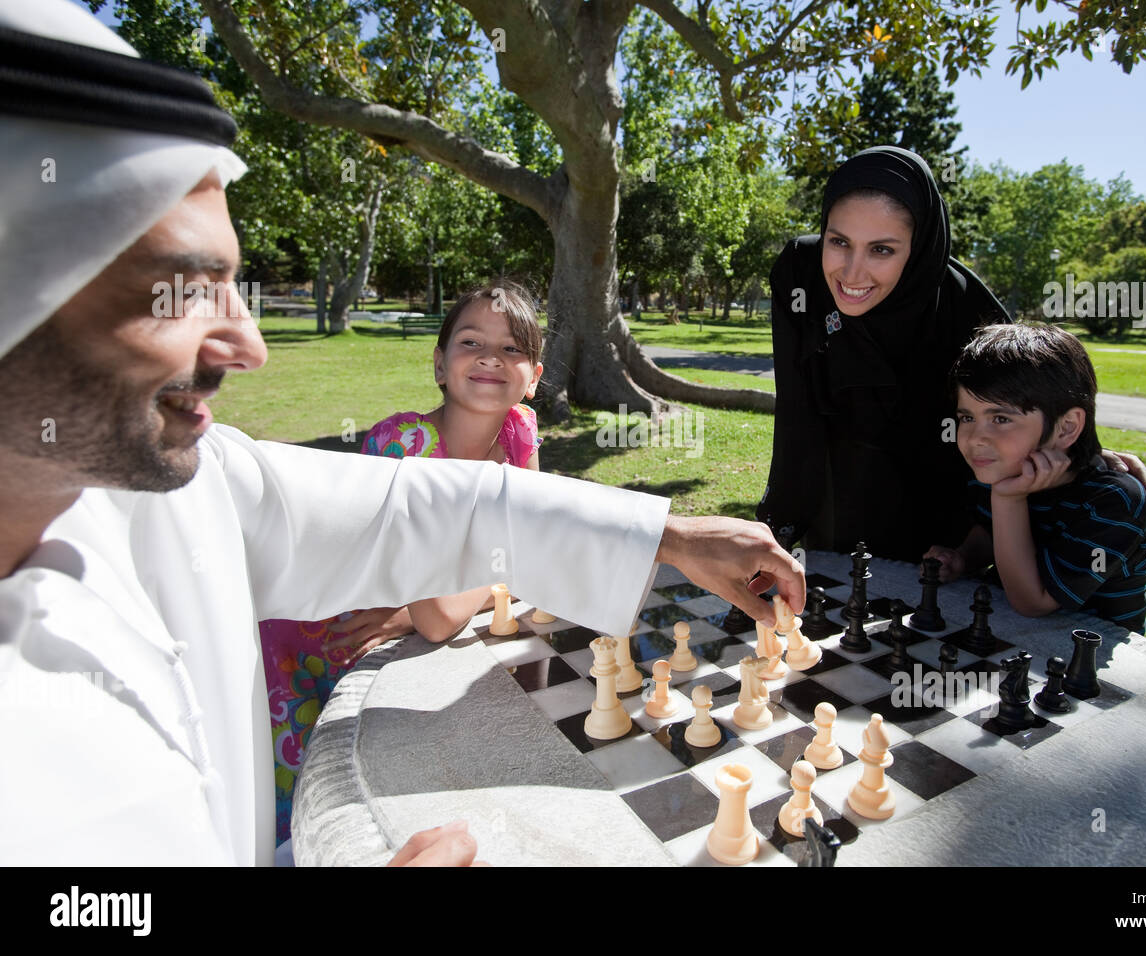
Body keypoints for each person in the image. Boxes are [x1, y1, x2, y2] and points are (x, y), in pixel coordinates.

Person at [0, 0, 803, 866]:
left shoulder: (175, 487)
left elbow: (425, 508)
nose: (251, 347)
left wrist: (671, 534)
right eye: (182, 292)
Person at [757, 146, 1146, 560]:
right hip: (837, 496)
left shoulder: (965, 310)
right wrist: (777, 527)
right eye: (839, 241)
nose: (852, 272)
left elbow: (1027, 399)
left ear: (920, 246)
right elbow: (797, 406)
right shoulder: (801, 272)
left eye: (882, 250)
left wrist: (1083, 455)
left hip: (945, 521)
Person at [258, 280, 546, 847]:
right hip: (314, 638)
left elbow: (531, 545)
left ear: (534, 376)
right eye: (471, 342)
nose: (491, 357)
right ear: (440, 365)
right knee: (308, 813)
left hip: (387, 634)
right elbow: (441, 617)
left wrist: (430, 602)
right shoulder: (406, 446)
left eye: (513, 348)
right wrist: (462, 589)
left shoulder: (519, 432)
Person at [924, 324, 1146, 634]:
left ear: (1066, 428)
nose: (975, 438)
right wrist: (964, 558)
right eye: (967, 417)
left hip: (1089, 660)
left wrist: (1008, 498)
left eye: (1001, 418)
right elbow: (993, 533)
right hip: (1012, 637)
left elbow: (1033, 603)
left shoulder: (1115, 502)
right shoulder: (998, 467)